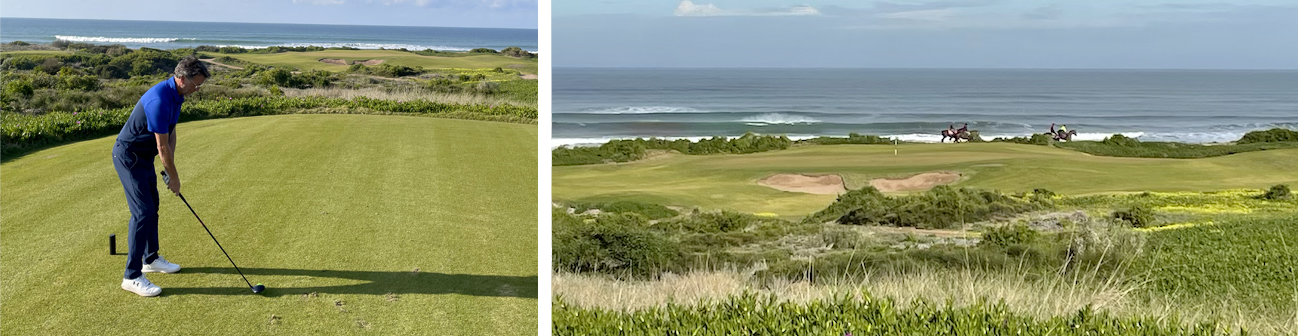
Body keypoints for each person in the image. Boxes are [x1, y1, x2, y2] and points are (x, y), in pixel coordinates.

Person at [112, 56, 208, 297]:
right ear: (181, 78)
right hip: (128, 156)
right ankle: (131, 276)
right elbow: (161, 147)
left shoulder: (178, 96)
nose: (198, 90)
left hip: (144, 157)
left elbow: (171, 133)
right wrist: (174, 178)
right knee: (142, 212)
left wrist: (168, 170)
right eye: (196, 85)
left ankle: (150, 259)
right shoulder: (159, 100)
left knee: (152, 207)